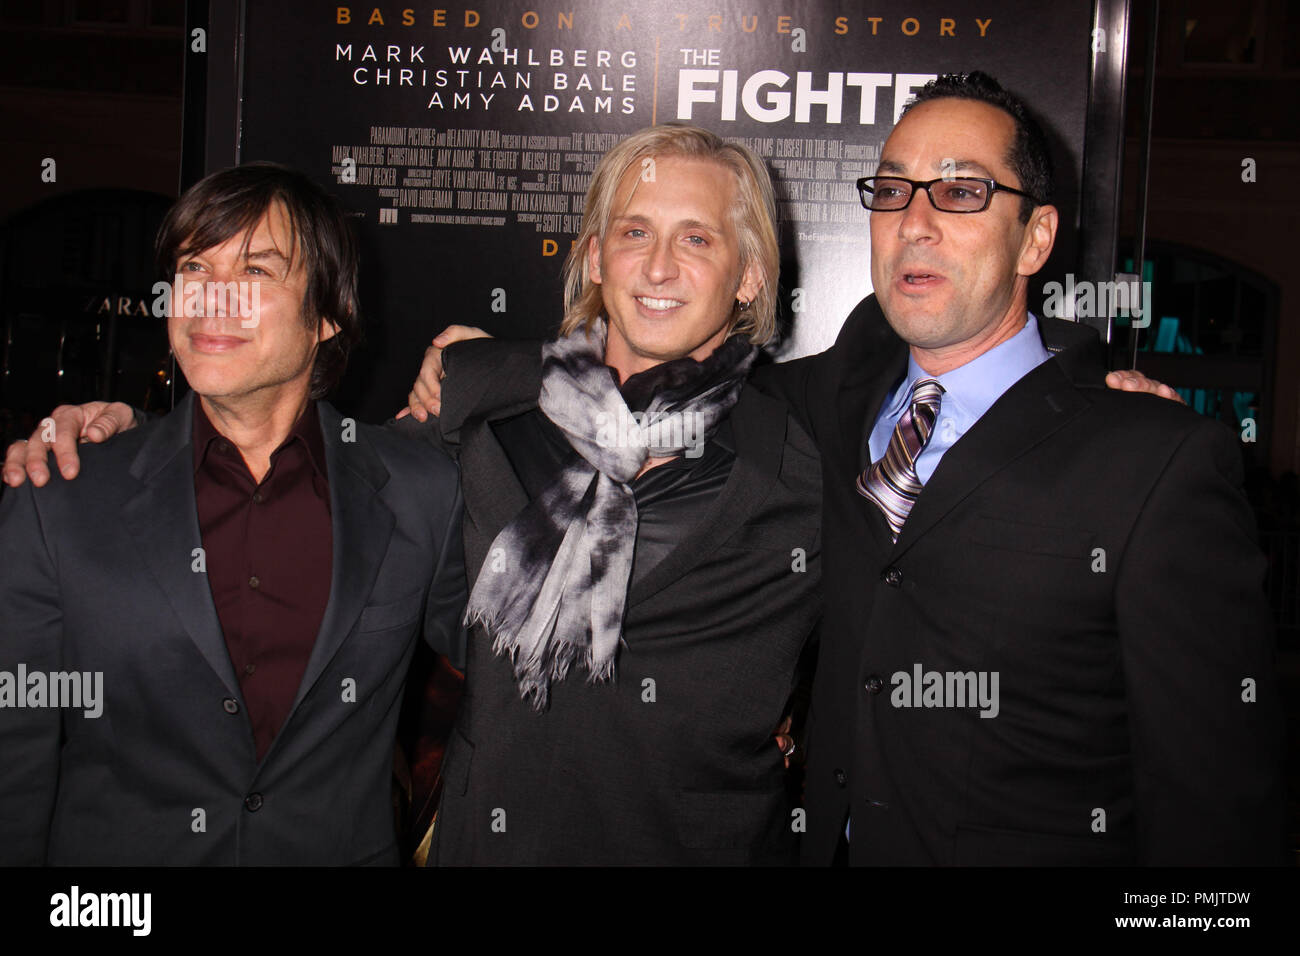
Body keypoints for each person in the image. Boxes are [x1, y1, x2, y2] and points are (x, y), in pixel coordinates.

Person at [7, 127, 824, 865]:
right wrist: (113, 431)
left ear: (750, 274)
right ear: (594, 254)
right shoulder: (472, 418)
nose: (656, 265)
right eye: (634, 232)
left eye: (697, 237)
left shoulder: (803, 460)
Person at [752, 72, 1285, 864]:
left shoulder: (1153, 458)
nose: (915, 223)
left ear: (1036, 238)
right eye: (893, 190)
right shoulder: (821, 404)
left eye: (962, 192)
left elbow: (1216, 805)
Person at [0, 162, 467, 865]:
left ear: (327, 316)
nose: (213, 301)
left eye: (254, 271)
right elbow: (15, 747)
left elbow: (527, 669)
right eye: (194, 268)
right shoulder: (60, 490)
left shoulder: (420, 490)